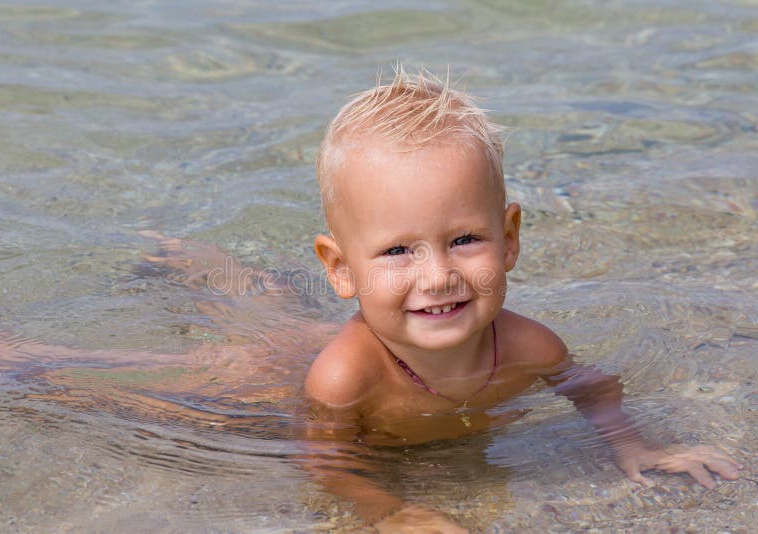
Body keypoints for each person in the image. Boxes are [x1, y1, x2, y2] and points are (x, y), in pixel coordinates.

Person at [300, 67, 742, 532]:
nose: (438, 277)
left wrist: (633, 444)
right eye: (397, 251)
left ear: (509, 237)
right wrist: (388, 511)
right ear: (341, 269)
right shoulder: (344, 379)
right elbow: (325, 464)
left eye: (465, 239)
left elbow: (592, 389)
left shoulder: (529, 347)